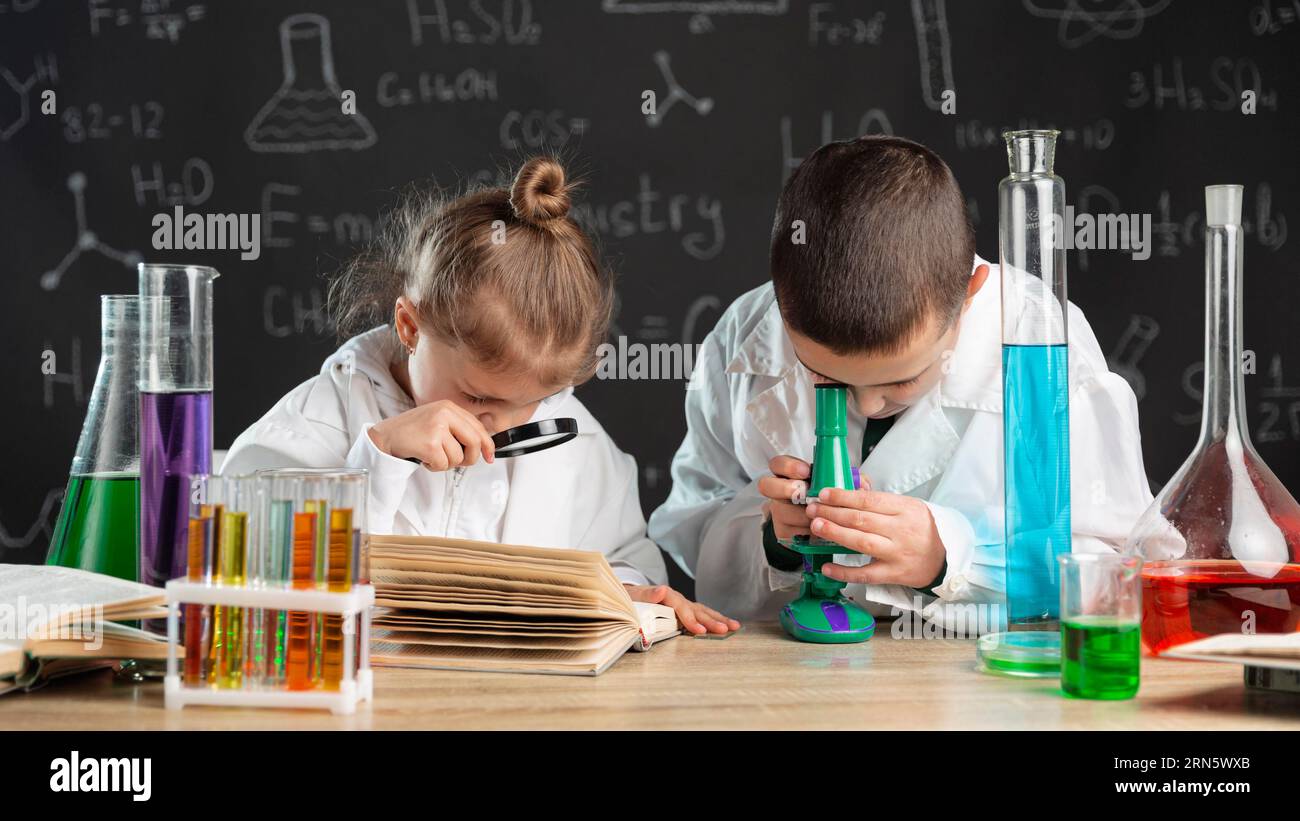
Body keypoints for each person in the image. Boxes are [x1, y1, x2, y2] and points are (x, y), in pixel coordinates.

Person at [648, 135, 1152, 630]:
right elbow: (692, 527)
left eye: (904, 378)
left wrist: (947, 559)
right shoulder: (745, 331)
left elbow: (1118, 568)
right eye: (824, 375)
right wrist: (773, 542)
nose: (868, 405)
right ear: (780, 304)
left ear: (969, 296)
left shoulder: (1040, 342)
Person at [224, 157, 740, 636]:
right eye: (476, 396)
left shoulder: (580, 445)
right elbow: (245, 577)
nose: (501, 424)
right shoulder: (315, 423)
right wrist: (375, 460)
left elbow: (623, 554)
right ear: (410, 326)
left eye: (535, 400)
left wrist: (625, 589)